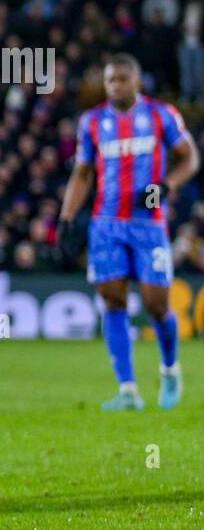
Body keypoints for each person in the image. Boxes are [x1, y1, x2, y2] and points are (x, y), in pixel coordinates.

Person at [59, 54, 199, 410]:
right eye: (111, 80)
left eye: (123, 79)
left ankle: (169, 370)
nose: (116, 86)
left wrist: (165, 186)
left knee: (156, 304)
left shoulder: (160, 115)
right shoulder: (92, 123)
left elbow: (189, 157)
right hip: (106, 224)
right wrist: (66, 217)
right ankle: (128, 390)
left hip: (148, 224)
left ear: (136, 81)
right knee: (113, 300)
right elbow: (82, 173)